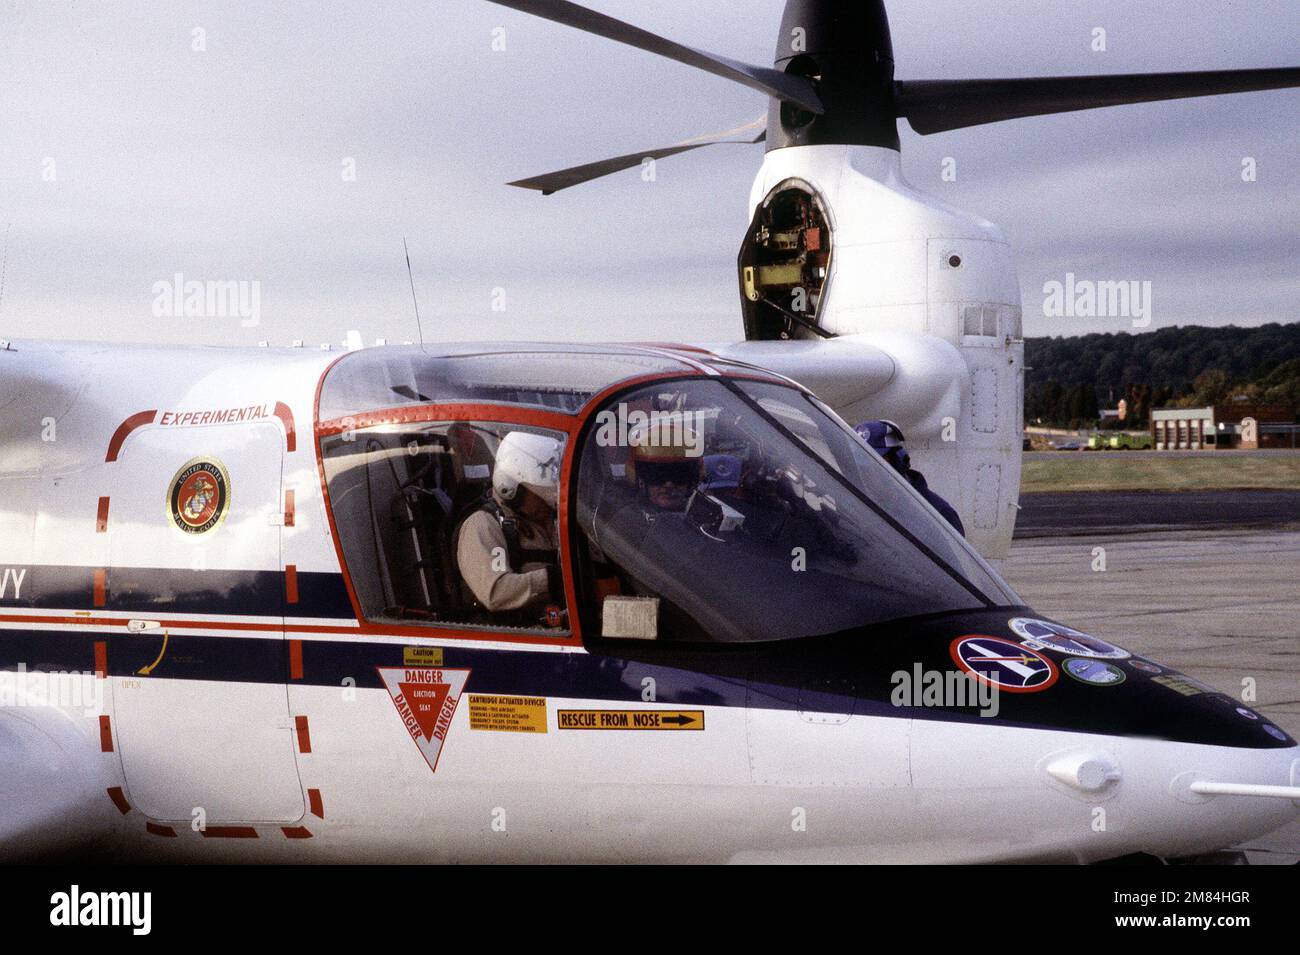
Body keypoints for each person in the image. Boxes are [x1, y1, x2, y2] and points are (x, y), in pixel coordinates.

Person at [456, 431, 564, 619]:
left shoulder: (554, 522)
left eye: (552, 492)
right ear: (513, 488)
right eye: (540, 493)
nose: (550, 500)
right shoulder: (485, 525)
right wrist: (555, 579)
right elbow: (497, 592)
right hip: (518, 635)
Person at [856, 419, 966, 536]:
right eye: (861, 465)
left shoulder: (939, 514)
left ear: (897, 461)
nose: (866, 472)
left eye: (874, 461)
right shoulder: (859, 510)